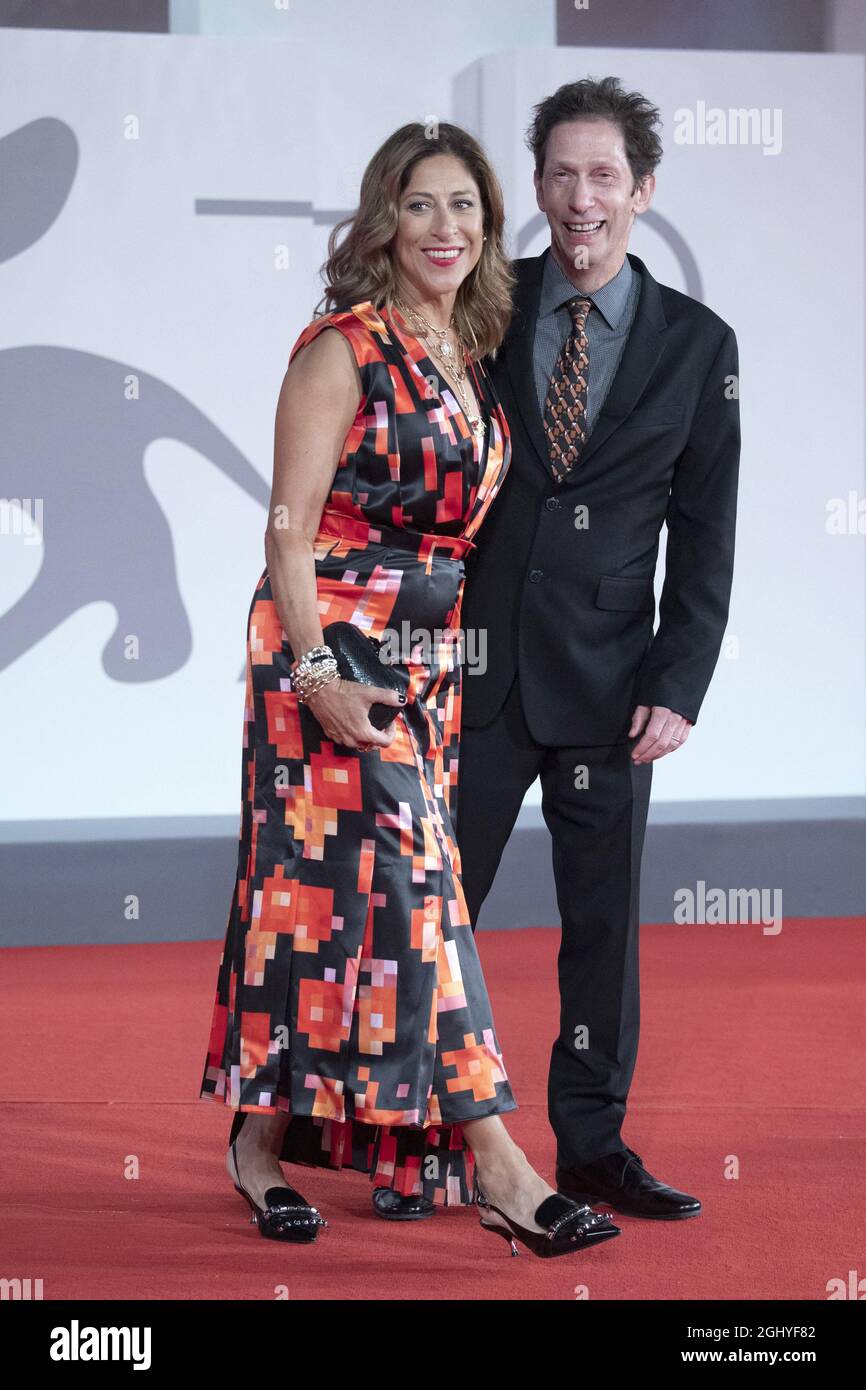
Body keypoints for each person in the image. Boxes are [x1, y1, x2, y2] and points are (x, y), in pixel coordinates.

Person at [198, 120, 619, 1258]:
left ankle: (257, 1138)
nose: (446, 227)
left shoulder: (463, 355)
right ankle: (497, 1163)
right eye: (423, 204)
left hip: (422, 666)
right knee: (420, 896)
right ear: (385, 219)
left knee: (328, 914)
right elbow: (286, 533)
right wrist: (321, 673)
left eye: (466, 208)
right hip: (325, 650)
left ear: (489, 228)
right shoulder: (342, 344)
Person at [448, 77, 739, 1222]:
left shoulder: (695, 344)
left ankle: (591, 1144)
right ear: (535, 187)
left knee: (602, 930)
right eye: (561, 175)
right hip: (471, 675)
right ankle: (415, 1135)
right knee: (435, 916)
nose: (581, 199)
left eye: (603, 176)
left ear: (642, 191)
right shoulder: (484, 306)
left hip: (613, 683)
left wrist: (678, 681)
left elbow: (706, 531)